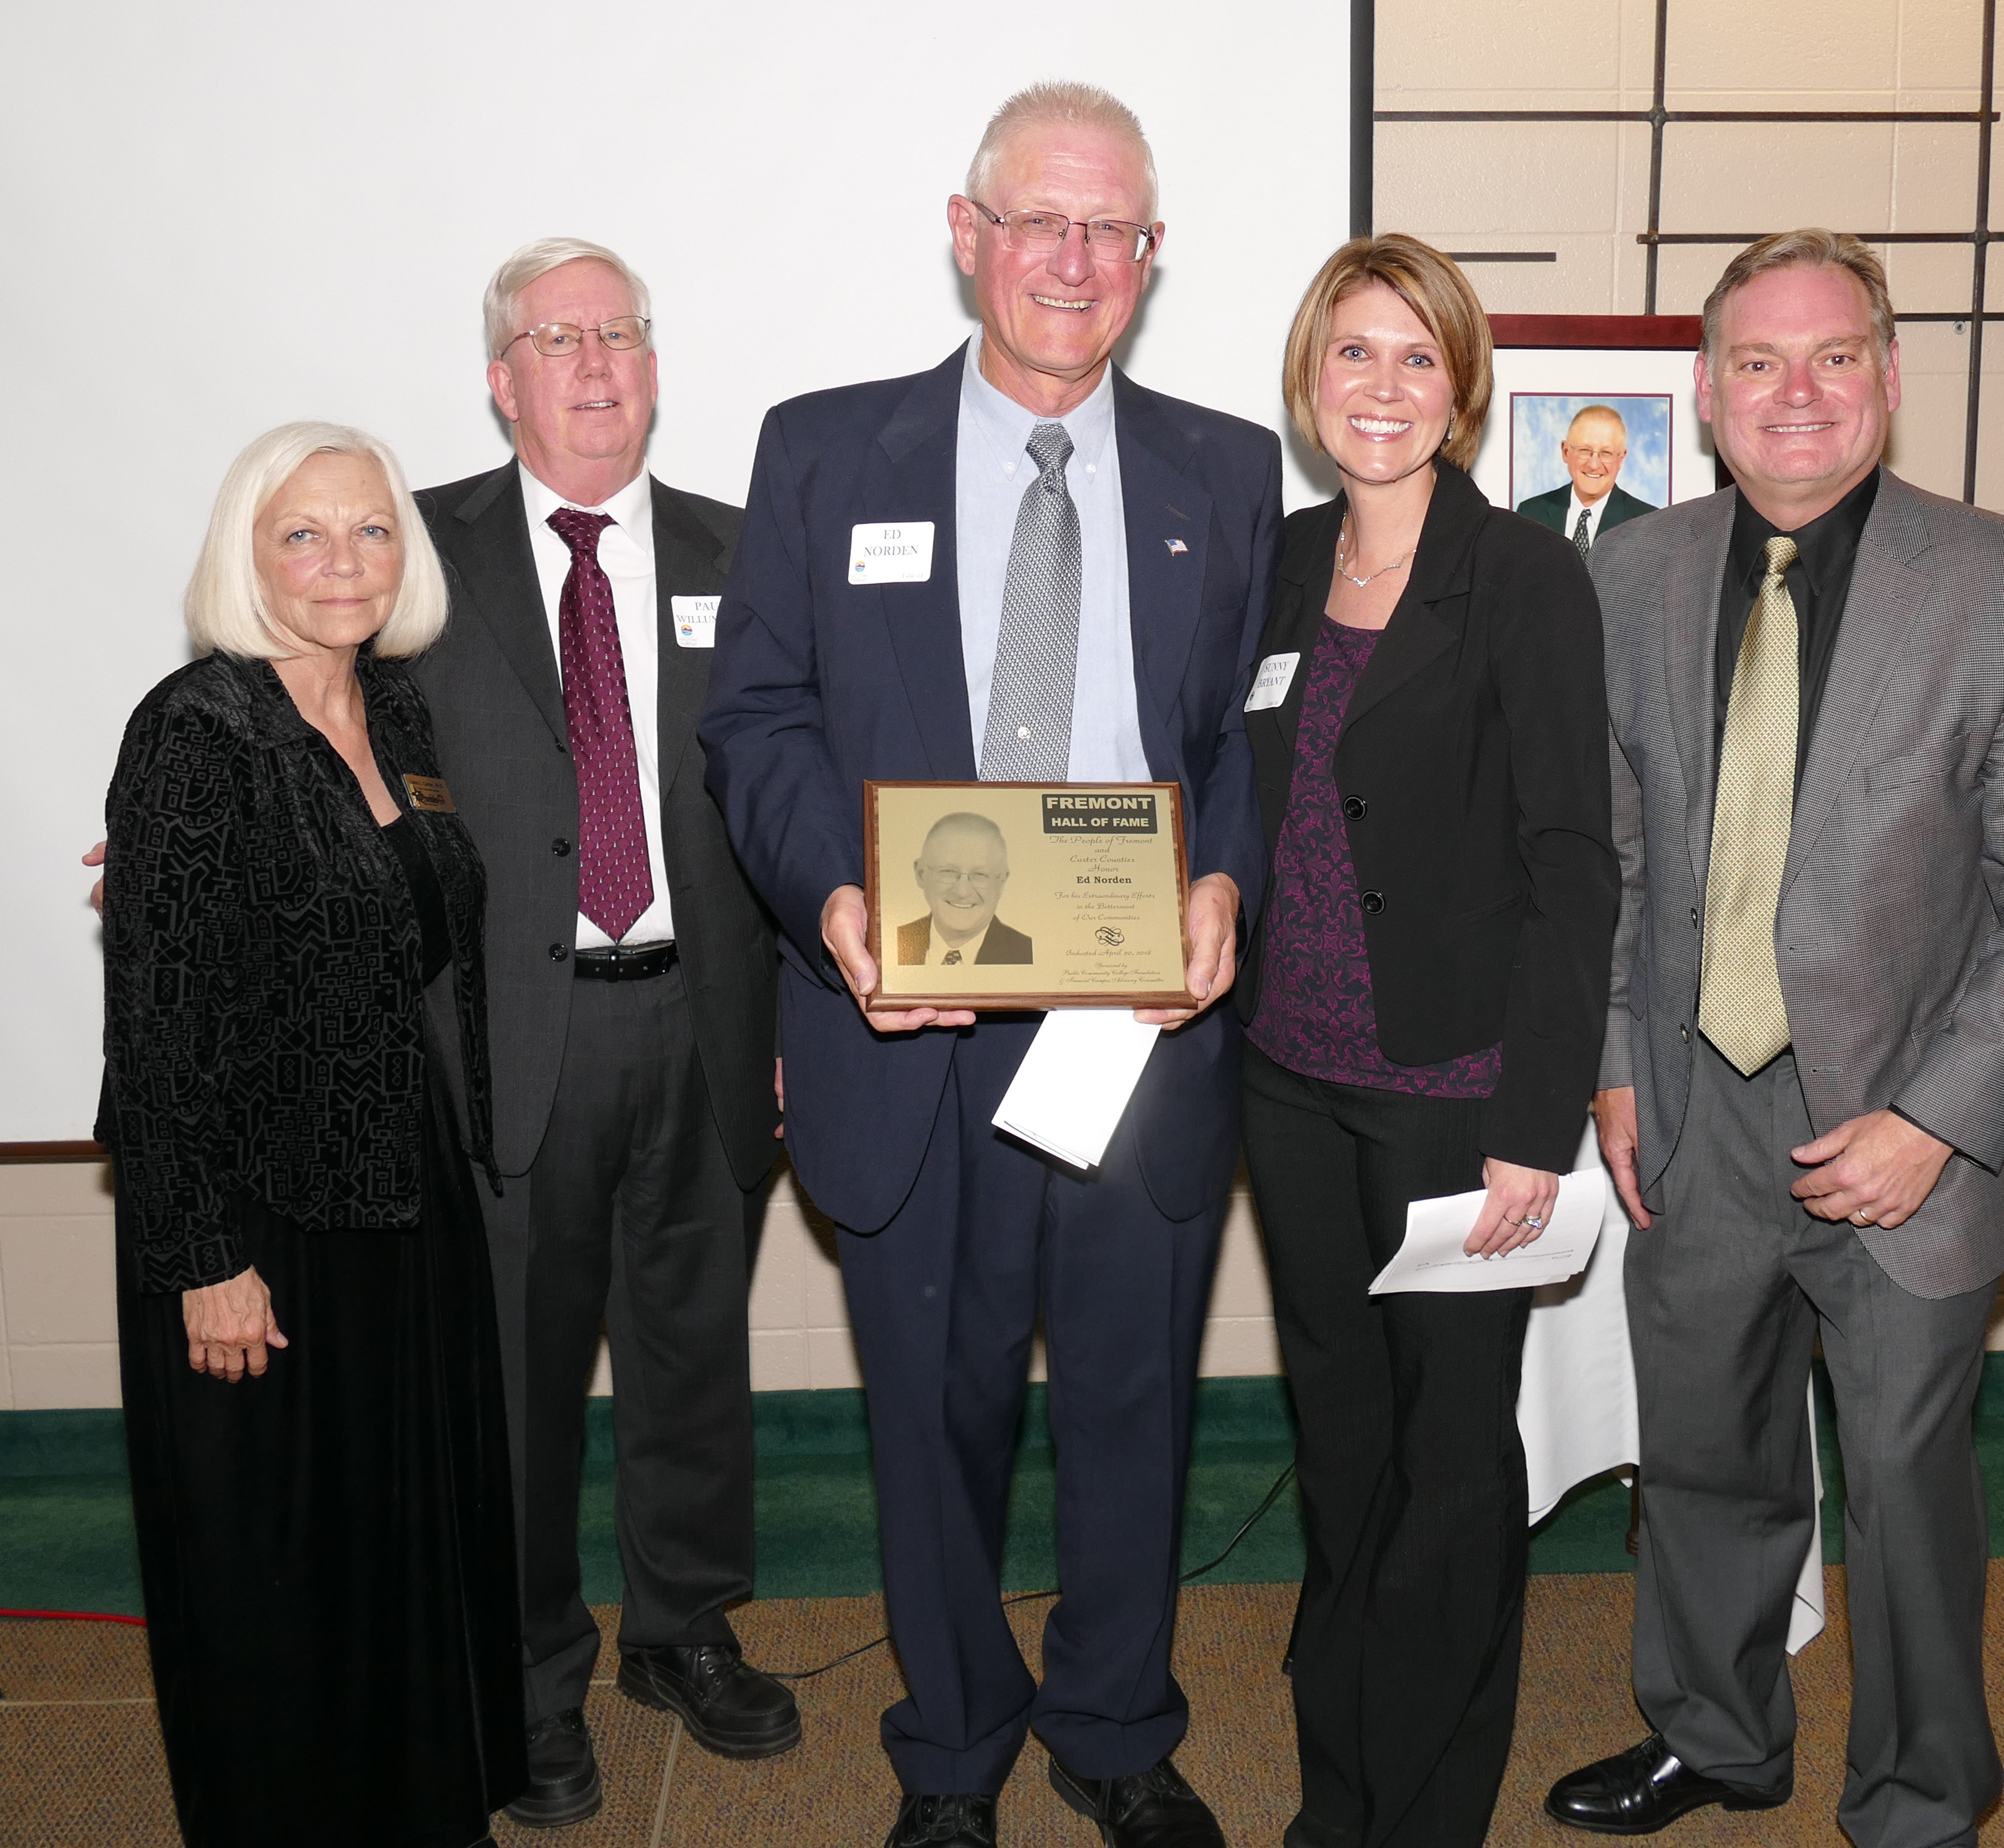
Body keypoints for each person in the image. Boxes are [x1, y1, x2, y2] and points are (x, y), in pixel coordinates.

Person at [699, 81, 1280, 1848]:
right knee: (932, 1417)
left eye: (1111, 229)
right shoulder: (821, 452)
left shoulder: (1226, 468)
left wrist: (1228, 879)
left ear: (1151, 260)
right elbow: (758, 722)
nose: (1073, 259)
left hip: (1134, 1026)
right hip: (913, 1018)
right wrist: (831, 908)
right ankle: (951, 1750)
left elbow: (1235, 733)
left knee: (1128, 1402)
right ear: (967, 235)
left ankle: (1115, 1724)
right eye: (1039, 219)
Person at [1544, 230, 2004, 1843]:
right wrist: (1609, 1058)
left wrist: (1932, 1117)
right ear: (1707, 392)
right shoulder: (1633, 570)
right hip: (1690, 1098)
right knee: (1703, 1447)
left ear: (1884, 372)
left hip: (1904, 1117)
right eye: (1755, 362)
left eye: (1832, 356)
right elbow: (1621, 851)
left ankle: (1923, 1790)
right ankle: (1716, 1732)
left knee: (1902, 1479)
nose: (1794, 395)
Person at [1235, 236, 1618, 1848]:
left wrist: (1536, 1123)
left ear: (1457, 388)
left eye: (1412, 356)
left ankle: (1425, 1816)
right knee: (1338, 1457)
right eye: (1349, 354)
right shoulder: (1271, 558)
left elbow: (1569, 861)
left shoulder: (1522, 576)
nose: (1378, 386)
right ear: (1308, 381)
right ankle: (1341, 1800)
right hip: (1286, 1088)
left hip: (1454, 1103)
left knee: (1450, 1477)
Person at [99, 422, 524, 1848]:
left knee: (393, 1542)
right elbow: (155, 1031)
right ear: (246, 552)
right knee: (277, 1565)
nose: (344, 561)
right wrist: (205, 1259)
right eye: (304, 533)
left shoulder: (387, 712)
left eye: (371, 531)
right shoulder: (194, 730)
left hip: (400, 1183)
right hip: (258, 1211)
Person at [412, 238, 793, 1823]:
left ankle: (682, 1629)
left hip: (705, 1025)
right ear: (502, 378)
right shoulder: (415, 553)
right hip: (507, 1041)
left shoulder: (740, 548)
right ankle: (525, 1676)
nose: (595, 363)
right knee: (513, 1380)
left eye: (620, 333)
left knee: (692, 1354)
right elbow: (308, 714)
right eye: (556, 338)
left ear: (652, 362)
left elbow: (798, 788)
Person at [1515, 405, 1652, 557]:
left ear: (1621, 458)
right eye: (1585, 451)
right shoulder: (1530, 513)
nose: (1594, 465)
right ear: (1566, 452)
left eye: (1606, 453)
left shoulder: (1648, 523)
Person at [897, 813, 1033, 965]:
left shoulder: (1027, 955)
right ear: (920, 874)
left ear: (1001, 883)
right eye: (948, 871)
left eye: (980, 875)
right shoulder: (891, 943)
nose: (962, 892)